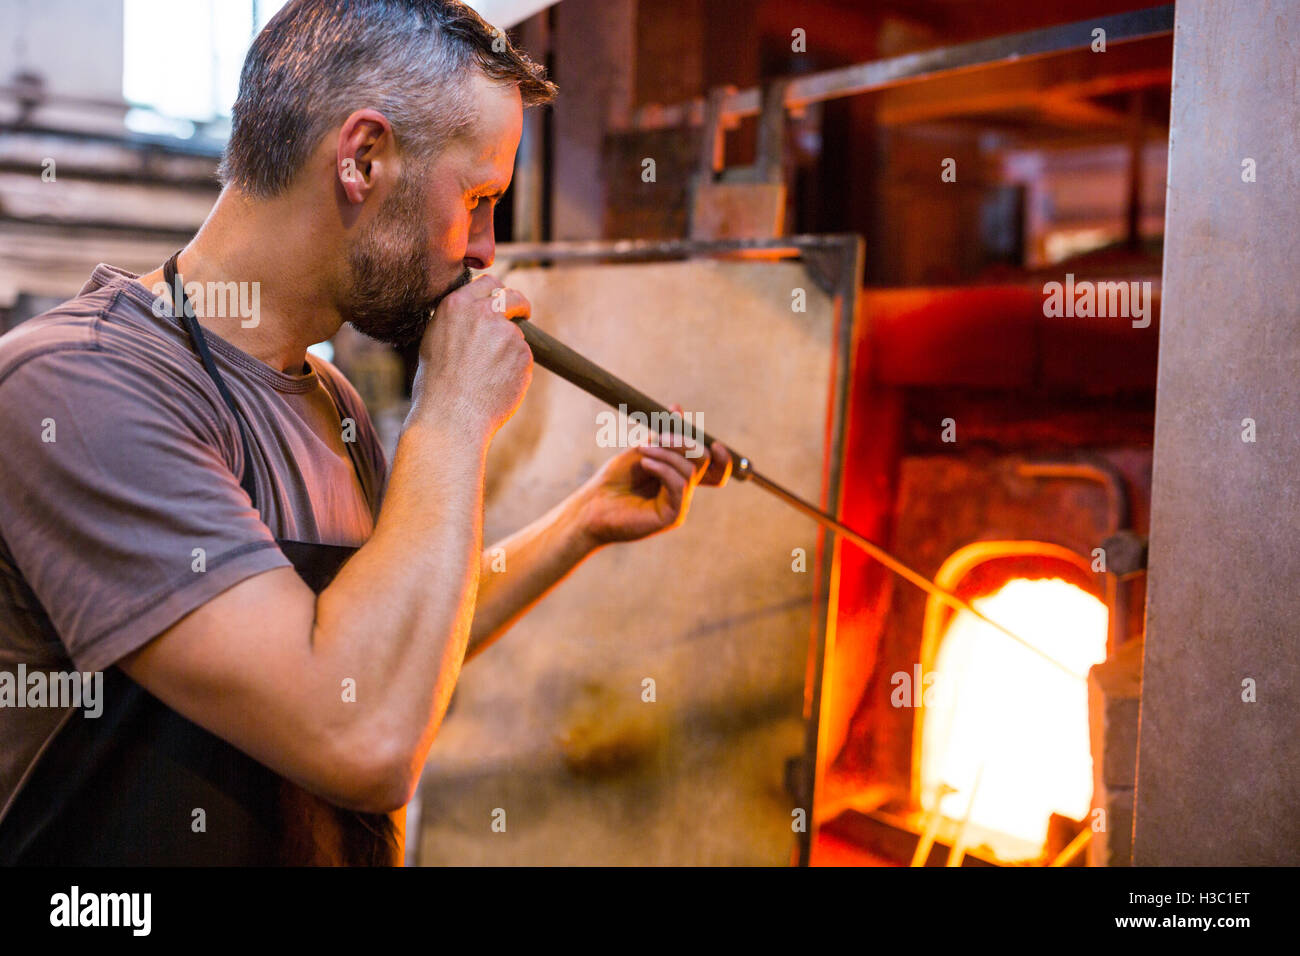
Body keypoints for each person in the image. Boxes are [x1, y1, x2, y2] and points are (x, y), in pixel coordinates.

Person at [0, 0, 730, 865]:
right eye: (479, 198)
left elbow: (375, 646)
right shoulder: (80, 387)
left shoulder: (333, 402)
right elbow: (364, 736)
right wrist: (453, 415)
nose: (487, 250)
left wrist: (581, 522)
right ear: (363, 157)